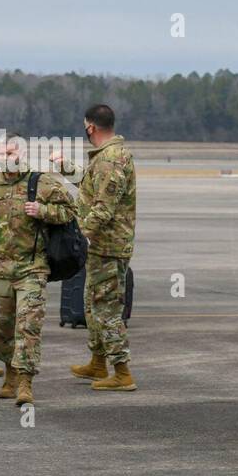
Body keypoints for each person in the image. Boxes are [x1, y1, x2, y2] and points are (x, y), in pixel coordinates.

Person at [0, 134, 77, 405]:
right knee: (2, 329)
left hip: (32, 269)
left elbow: (70, 210)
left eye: (12, 152)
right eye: (3, 153)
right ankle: (9, 371)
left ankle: (25, 382)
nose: (8, 158)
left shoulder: (41, 182)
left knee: (28, 326)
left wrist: (44, 210)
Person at [67, 104, 138, 391]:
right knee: (91, 304)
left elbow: (103, 207)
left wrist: (80, 234)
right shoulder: (105, 158)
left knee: (106, 308)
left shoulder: (111, 159)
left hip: (108, 246)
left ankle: (122, 372)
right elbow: (91, 186)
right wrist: (65, 168)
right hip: (100, 246)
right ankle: (98, 361)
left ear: (90, 127)